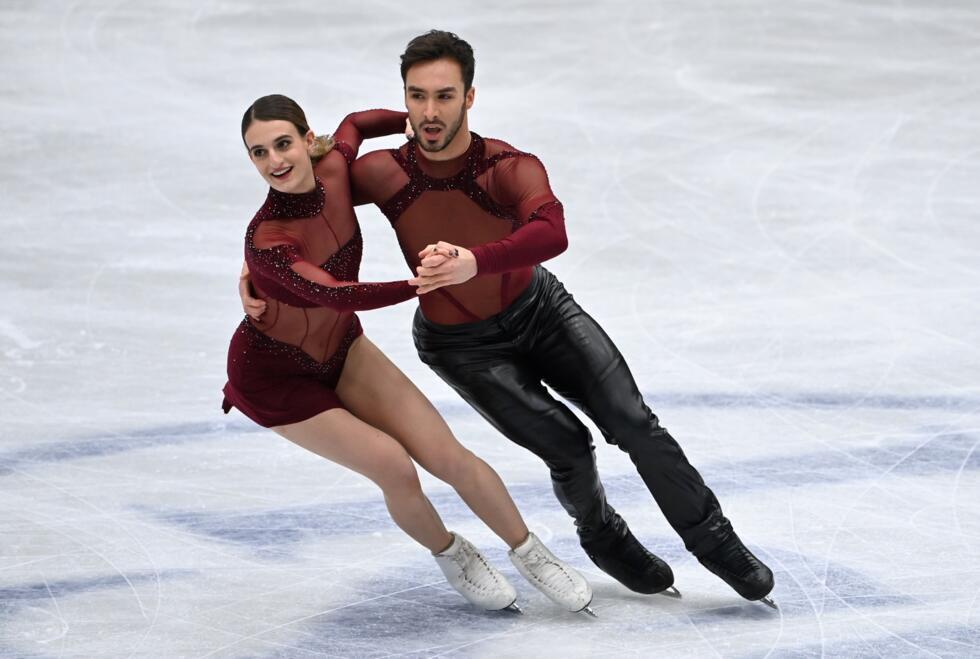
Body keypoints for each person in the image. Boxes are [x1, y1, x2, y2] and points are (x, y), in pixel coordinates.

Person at [242, 32, 776, 609]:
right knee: (568, 446)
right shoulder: (379, 173)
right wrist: (252, 275)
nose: (429, 112)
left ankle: (715, 543)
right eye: (416, 97)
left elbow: (553, 232)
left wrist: (474, 261)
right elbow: (296, 210)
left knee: (634, 423)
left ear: (470, 97)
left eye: (444, 96)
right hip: (461, 346)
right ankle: (602, 536)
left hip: (542, 312)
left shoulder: (507, 165)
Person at [224, 93, 594, 615]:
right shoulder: (269, 240)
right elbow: (334, 293)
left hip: (341, 349)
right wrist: (421, 282)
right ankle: (452, 552)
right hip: (275, 377)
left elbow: (356, 122)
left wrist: (417, 123)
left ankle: (530, 552)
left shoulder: (334, 165)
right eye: (258, 153)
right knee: (395, 467)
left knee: (445, 453)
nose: (274, 162)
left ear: (308, 141)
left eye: (283, 144)